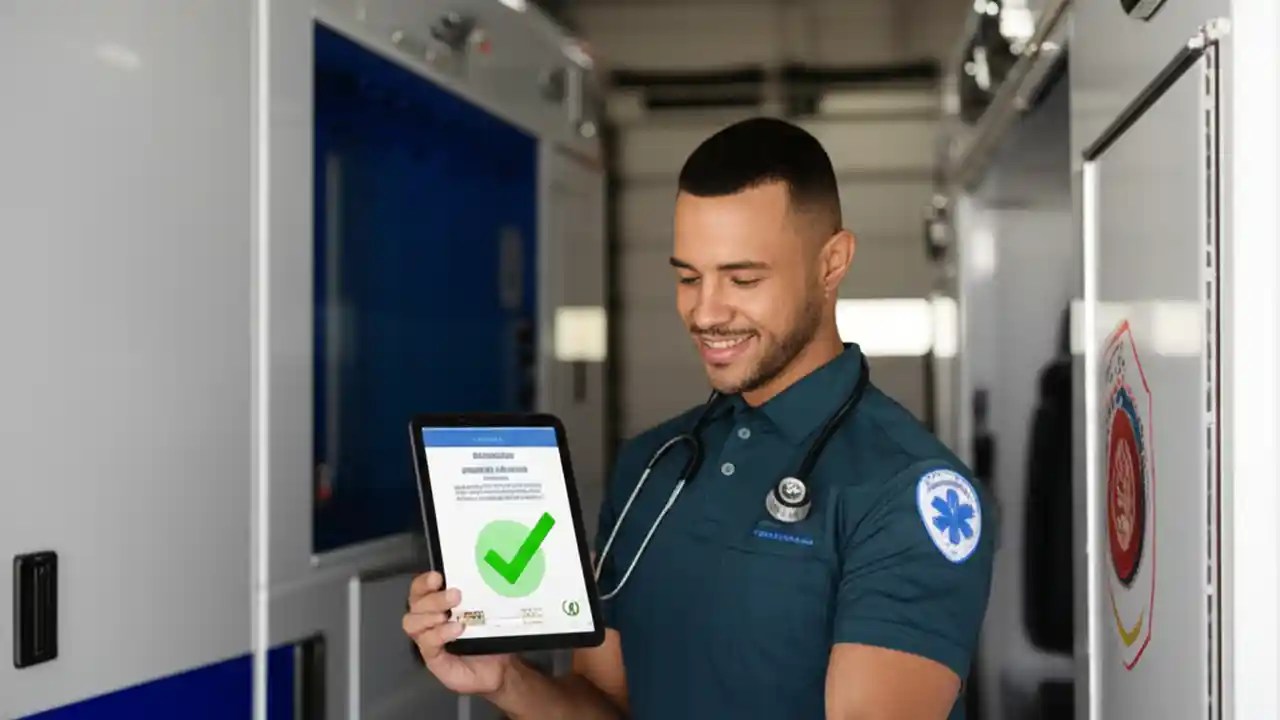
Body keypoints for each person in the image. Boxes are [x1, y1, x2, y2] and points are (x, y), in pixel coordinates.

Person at [403, 116, 996, 719]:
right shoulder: (651, 467)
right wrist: (506, 681)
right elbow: (606, 707)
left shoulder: (907, 493)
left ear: (831, 263)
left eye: (742, 278)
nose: (705, 311)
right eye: (688, 277)